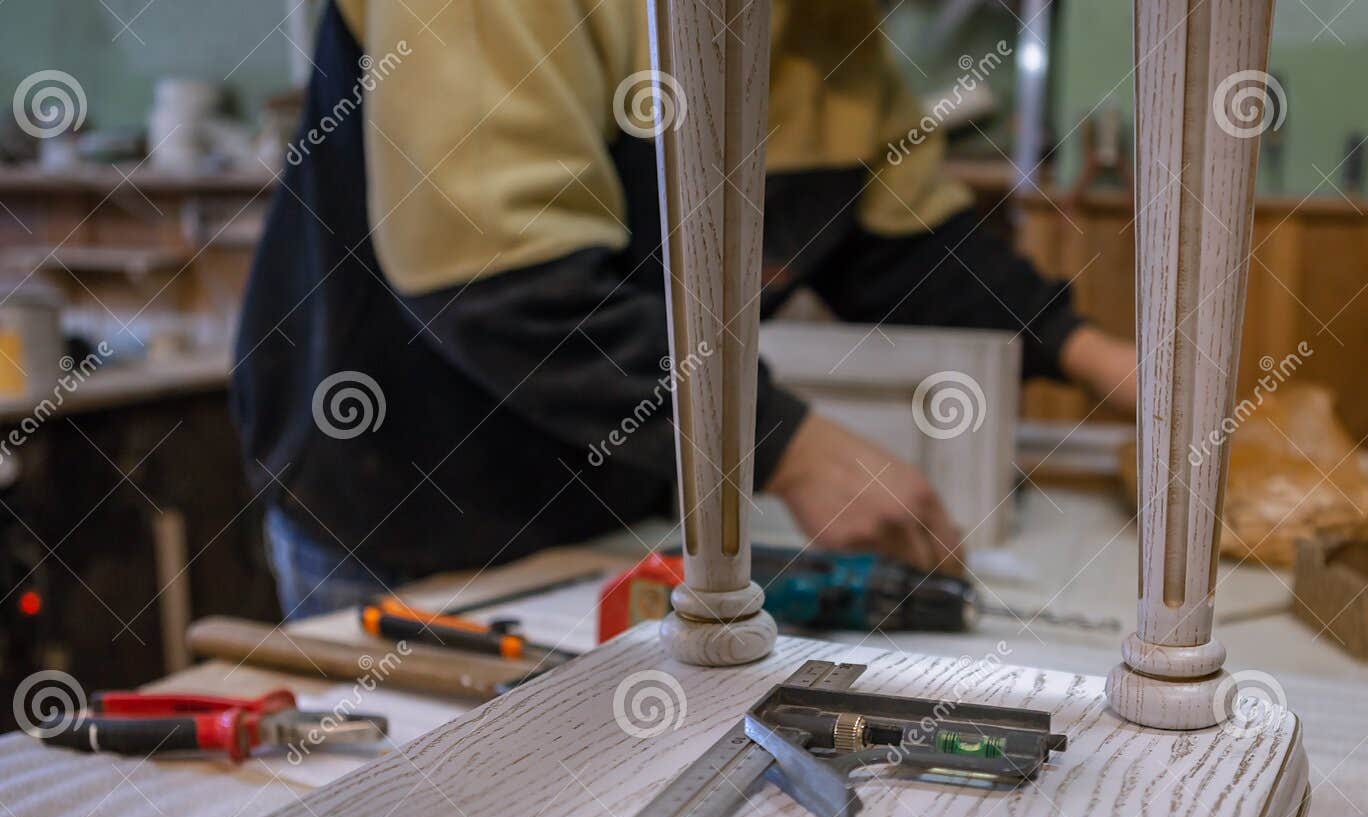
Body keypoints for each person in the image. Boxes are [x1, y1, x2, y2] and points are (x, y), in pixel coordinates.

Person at [233, 0, 1137, 619]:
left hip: (609, 504)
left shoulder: (823, 23)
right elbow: (503, 281)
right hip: (409, 499)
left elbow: (892, 241)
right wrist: (784, 445)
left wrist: (1097, 358)